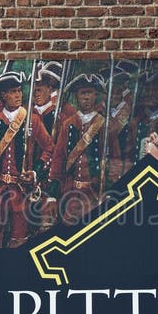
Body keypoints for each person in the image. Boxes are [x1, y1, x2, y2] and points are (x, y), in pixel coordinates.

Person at [0, 72, 54, 248]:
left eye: (19, 91)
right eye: (12, 92)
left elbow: (50, 149)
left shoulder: (32, 120)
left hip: (22, 190)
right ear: (3, 95)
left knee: (19, 241)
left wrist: (35, 172)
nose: (18, 95)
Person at [49, 74, 111, 225]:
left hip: (95, 194)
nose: (86, 97)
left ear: (95, 95)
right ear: (76, 96)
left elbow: (114, 160)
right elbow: (58, 159)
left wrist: (110, 190)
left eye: (90, 93)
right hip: (71, 193)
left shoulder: (104, 125)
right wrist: (52, 195)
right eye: (83, 93)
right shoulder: (68, 124)